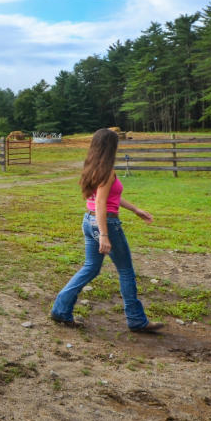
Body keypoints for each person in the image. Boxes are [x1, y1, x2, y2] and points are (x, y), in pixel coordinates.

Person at [49, 128, 164, 333]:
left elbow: (110, 198)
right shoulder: (107, 171)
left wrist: (135, 209)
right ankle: (137, 320)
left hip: (89, 220)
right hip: (106, 224)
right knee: (126, 271)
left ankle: (60, 309)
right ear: (111, 147)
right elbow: (102, 203)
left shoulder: (93, 167)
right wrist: (103, 234)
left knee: (90, 268)